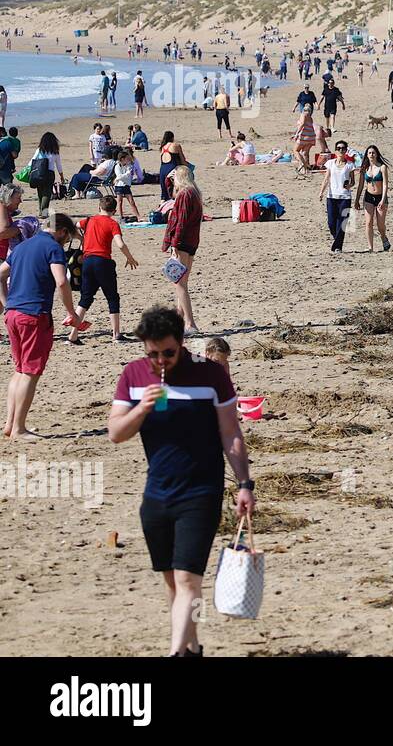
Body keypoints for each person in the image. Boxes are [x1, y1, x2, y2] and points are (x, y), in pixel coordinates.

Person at [108, 305, 254, 657]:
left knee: (189, 579)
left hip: (201, 490)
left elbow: (230, 432)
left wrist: (244, 483)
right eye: (153, 354)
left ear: (182, 343)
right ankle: (191, 647)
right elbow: (115, 432)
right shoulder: (134, 376)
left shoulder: (210, 376)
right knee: (173, 581)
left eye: (168, 353)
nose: (161, 360)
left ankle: (174, 652)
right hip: (156, 493)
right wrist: (141, 408)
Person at [0, 213, 80, 440]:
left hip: (13, 314)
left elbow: (0, 274)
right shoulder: (53, 248)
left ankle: (10, 424)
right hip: (33, 315)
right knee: (30, 373)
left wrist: (7, 303)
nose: (66, 241)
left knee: (19, 370)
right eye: (67, 237)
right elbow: (62, 281)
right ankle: (18, 428)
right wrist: (71, 312)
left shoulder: (23, 247)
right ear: (62, 231)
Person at [69, 196, 140, 343]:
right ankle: (116, 334)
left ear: (99, 208)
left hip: (87, 262)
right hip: (103, 262)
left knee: (86, 298)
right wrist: (130, 257)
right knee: (112, 297)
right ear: (114, 211)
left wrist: (81, 239)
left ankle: (72, 335)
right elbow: (120, 244)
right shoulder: (113, 223)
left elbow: (74, 226)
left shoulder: (88, 221)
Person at [163, 165, 203, 335]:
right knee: (182, 283)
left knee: (180, 284)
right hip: (191, 241)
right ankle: (180, 320)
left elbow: (181, 221)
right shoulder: (194, 193)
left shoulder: (185, 194)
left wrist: (174, 243)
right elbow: (171, 193)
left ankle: (190, 324)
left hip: (183, 242)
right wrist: (168, 179)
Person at [319, 138, 356, 254]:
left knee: (343, 222)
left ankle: (338, 246)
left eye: (343, 149)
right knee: (331, 222)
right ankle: (337, 241)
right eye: (338, 148)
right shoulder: (330, 163)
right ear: (335, 151)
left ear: (346, 151)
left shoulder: (350, 165)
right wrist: (321, 192)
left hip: (345, 197)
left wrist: (349, 185)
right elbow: (326, 179)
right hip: (331, 196)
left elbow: (353, 182)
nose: (341, 150)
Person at [354, 144, 391, 253]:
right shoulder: (364, 168)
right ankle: (370, 247)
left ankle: (384, 238)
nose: (371, 155)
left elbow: (385, 184)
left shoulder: (382, 167)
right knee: (368, 222)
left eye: (373, 153)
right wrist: (357, 200)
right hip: (368, 197)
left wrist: (383, 199)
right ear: (367, 155)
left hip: (380, 197)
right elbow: (360, 185)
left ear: (377, 154)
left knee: (380, 224)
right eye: (369, 153)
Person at [28, 132, 65, 219]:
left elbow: (32, 161)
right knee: (47, 193)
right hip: (50, 173)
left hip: (39, 172)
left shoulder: (39, 150)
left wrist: (29, 171)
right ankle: (44, 212)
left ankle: (41, 211)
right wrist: (61, 176)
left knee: (40, 192)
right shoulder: (55, 152)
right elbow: (59, 165)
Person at [113, 146, 143, 221]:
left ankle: (138, 216)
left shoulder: (129, 165)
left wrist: (118, 178)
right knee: (119, 202)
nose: (128, 160)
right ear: (122, 159)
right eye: (127, 158)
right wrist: (121, 177)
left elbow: (127, 175)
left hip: (126, 185)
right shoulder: (117, 166)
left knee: (131, 201)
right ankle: (121, 216)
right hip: (119, 186)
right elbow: (120, 175)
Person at [292, 105, 317, 174]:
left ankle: (303, 164)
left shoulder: (303, 115)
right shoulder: (310, 118)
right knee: (305, 153)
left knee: (295, 150)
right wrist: (295, 133)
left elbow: (302, 124)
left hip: (304, 136)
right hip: (311, 136)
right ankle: (305, 170)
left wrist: (296, 134)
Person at [158, 135, 181, 202]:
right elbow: (182, 160)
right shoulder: (176, 145)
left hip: (162, 169)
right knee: (174, 190)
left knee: (164, 193)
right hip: (172, 168)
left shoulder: (163, 147)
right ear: (172, 138)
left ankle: (161, 208)